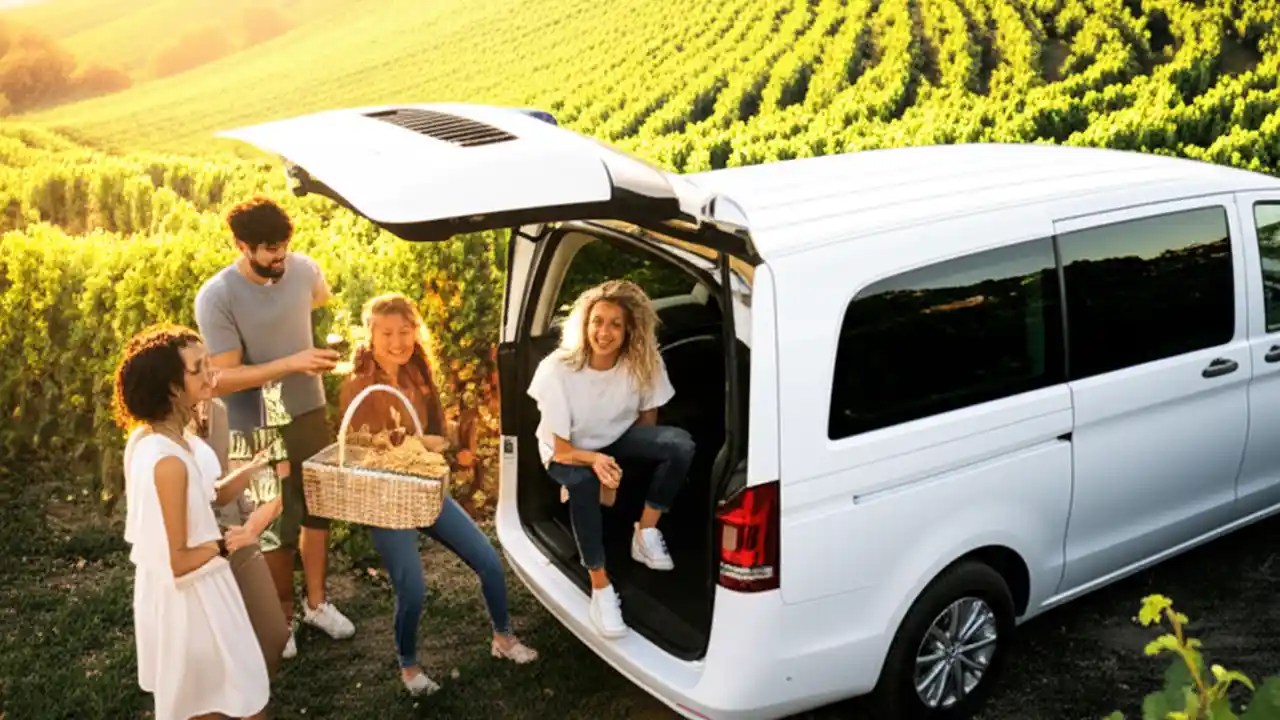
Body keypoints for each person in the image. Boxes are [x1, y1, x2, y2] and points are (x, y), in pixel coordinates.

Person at [338, 293, 538, 697]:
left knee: (488, 561)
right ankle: (409, 668)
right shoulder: (357, 386)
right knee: (412, 588)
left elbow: (432, 433)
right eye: (387, 334)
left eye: (405, 332)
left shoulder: (416, 374)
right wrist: (415, 443)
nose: (398, 342)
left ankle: (503, 638)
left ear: (415, 332)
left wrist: (441, 438)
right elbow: (362, 452)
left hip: (424, 492)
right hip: (385, 502)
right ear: (371, 337)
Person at [195, 195, 352, 659]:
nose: (278, 256)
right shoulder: (218, 296)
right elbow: (222, 377)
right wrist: (291, 361)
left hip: (306, 408)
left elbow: (317, 297)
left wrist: (312, 353)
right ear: (241, 245)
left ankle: (317, 604)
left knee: (317, 506)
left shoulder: (303, 270)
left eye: (283, 244)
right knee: (271, 522)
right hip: (255, 419)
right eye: (267, 249)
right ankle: (280, 617)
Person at [115, 324, 270, 720]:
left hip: (205, 581)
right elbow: (179, 559)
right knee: (225, 703)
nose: (209, 371)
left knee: (232, 696)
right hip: (192, 599)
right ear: (170, 387)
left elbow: (208, 494)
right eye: (198, 367)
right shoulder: (165, 461)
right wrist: (230, 541)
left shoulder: (172, 437)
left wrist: (252, 469)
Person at [526, 279, 696, 640]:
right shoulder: (559, 369)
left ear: (629, 329)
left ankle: (646, 531)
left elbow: (648, 419)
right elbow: (560, 450)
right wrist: (596, 464)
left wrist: (626, 465)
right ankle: (600, 586)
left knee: (679, 444)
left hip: (614, 440)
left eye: (615, 324)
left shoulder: (643, 363)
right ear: (584, 324)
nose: (604, 332)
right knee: (583, 483)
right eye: (597, 321)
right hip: (567, 450)